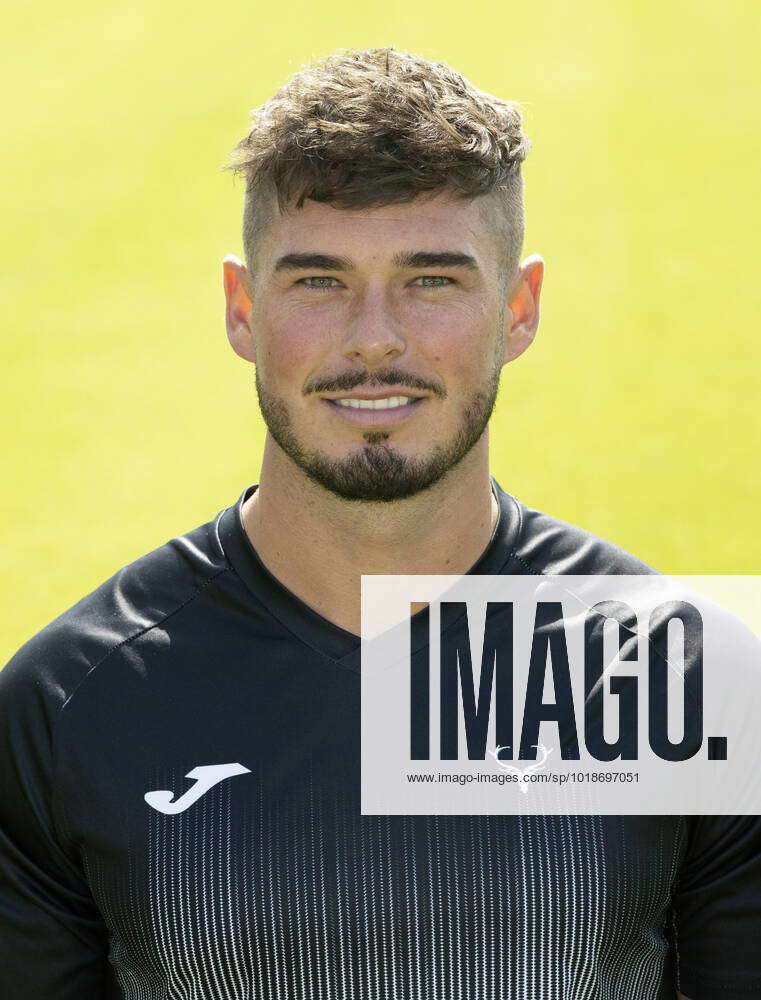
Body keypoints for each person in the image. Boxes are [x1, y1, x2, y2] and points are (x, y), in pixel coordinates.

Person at [0, 46, 758, 1000]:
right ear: (242, 309)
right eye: (318, 282)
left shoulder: (688, 688)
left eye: (430, 280)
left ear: (518, 309)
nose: (372, 339)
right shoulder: (69, 705)